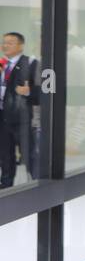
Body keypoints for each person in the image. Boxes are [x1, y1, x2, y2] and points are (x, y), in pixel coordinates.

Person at [0, 31, 41, 188]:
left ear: (21, 45)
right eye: (4, 42)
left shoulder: (31, 63)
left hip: (23, 120)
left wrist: (29, 92)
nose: (5, 45)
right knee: (5, 156)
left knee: (30, 155)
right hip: (3, 119)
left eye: (10, 42)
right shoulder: (2, 64)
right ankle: (5, 188)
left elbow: (44, 92)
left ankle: (37, 186)